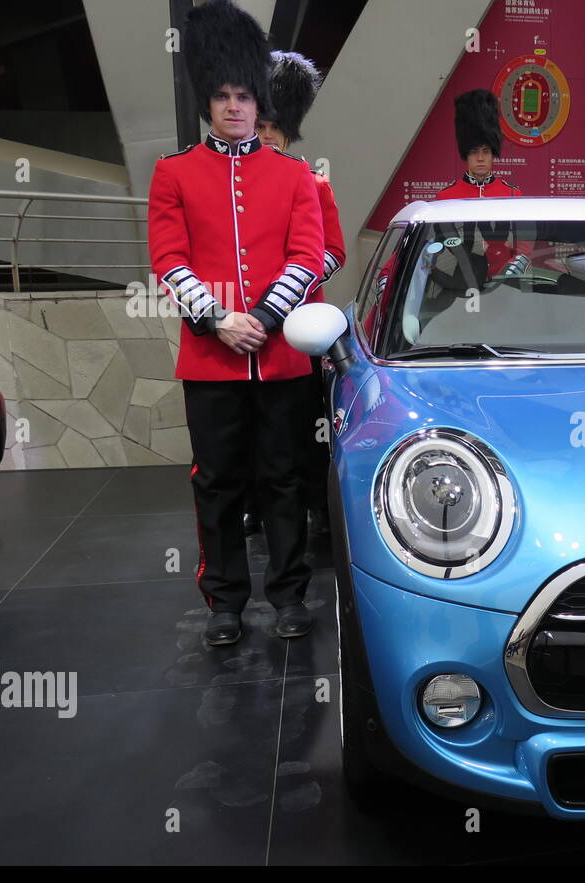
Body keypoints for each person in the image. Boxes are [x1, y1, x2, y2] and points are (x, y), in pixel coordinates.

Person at [148, 0, 323, 646]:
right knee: (217, 483)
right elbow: (168, 260)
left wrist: (266, 316)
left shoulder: (294, 175)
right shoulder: (173, 174)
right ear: (208, 101)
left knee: (282, 479)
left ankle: (288, 594)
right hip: (212, 356)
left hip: (279, 356)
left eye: (243, 95)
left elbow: (307, 254)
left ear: (259, 101)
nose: (233, 107)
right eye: (221, 95)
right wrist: (221, 319)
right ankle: (224, 599)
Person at [255, 49, 346, 538]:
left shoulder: (313, 183)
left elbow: (333, 251)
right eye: (262, 126)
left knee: (307, 424)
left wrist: (299, 281)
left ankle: (315, 505)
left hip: (303, 323)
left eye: (276, 128)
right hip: (251, 319)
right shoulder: (241, 187)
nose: (268, 135)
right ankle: (257, 503)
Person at [436, 90, 529, 278]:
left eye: (486, 151)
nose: (480, 158)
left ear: (493, 154)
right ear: (466, 155)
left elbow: (523, 246)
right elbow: (437, 244)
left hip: (503, 282)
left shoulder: (512, 194)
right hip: (460, 281)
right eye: (474, 152)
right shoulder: (445, 197)